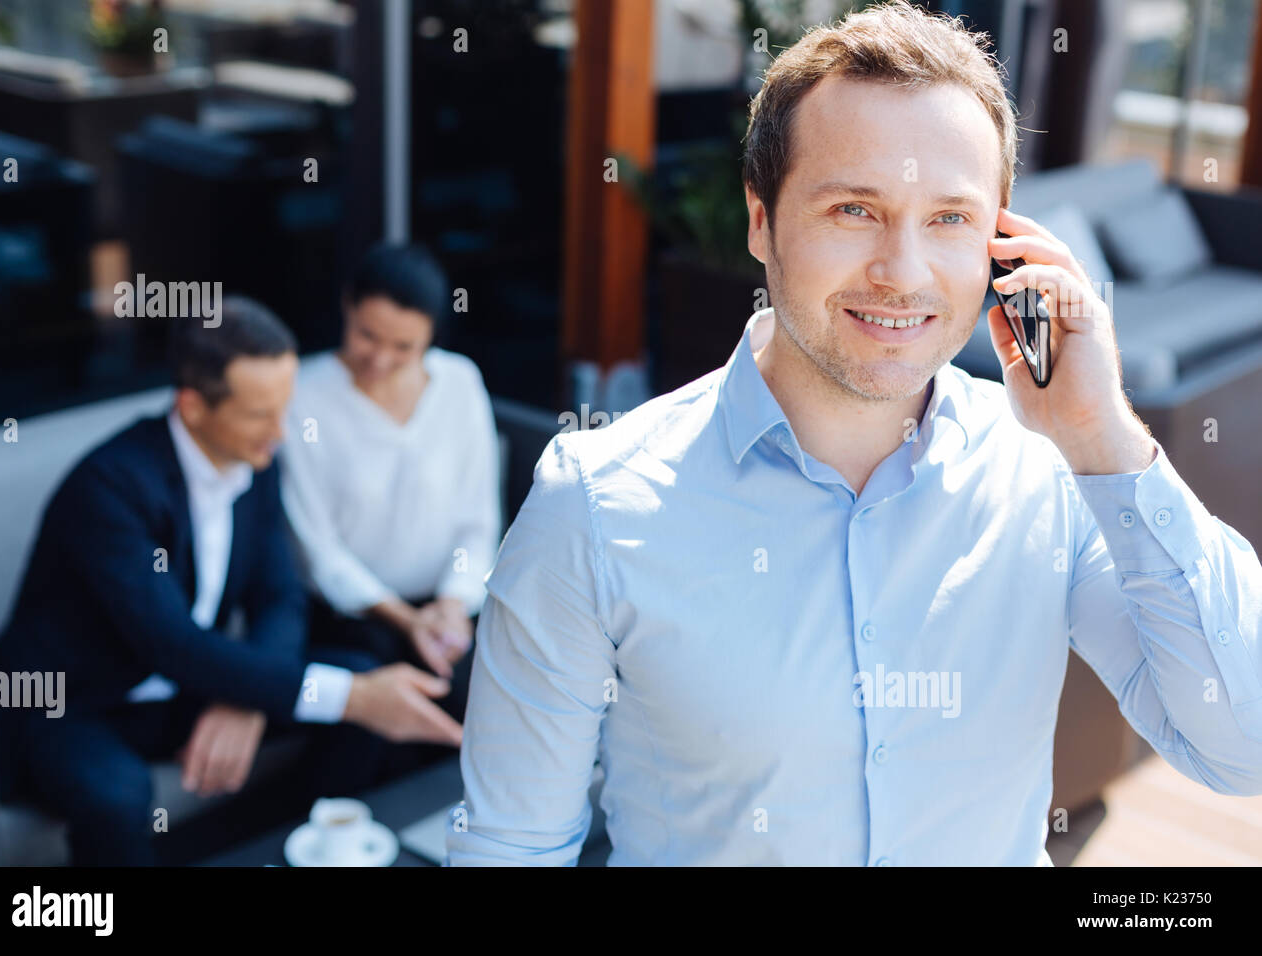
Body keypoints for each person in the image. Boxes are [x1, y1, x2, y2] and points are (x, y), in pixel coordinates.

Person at [446, 0, 1262, 866]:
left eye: (950, 218)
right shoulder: (594, 505)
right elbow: (510, 847)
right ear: (761, 221)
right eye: (854, 210)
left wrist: (1104, 435)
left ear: (1002, 241)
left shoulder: (1054, 472)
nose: (902, 273)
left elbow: (1239, 747)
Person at [0, 297, 462, 866]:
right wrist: (351, 700)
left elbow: (279, 598)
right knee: (117, 795)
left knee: (356, 671)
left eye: (284, 410)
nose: (280, 433)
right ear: (192, 407)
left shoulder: (253, 458)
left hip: (181, 682)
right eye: (261, 414)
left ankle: (287, 850)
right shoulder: (108, 489)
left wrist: (248, 701)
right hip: (73, 700)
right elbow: (169, 642)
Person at [279, 242, 501, 753]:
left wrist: (450, 606)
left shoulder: (460, 384)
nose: (379, 359)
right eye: (366, 335)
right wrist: (407, 619)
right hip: (353, 616)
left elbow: (477, 518)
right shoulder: (302, 398)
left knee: (494, 700)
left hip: (448, 605)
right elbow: (317, 549)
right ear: (346, 308)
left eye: (404, 347)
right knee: (378, 716)